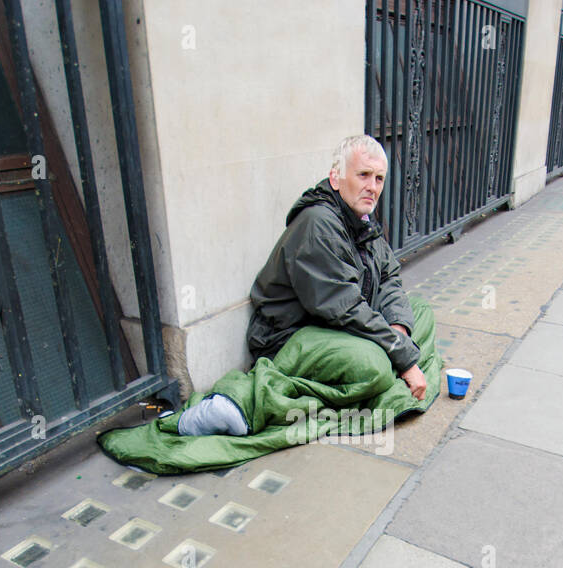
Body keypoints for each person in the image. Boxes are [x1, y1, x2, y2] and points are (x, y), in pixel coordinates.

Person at [163, 135, 429, 436]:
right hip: (289, 338)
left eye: (379, 178)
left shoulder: (360, 218)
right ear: (336, 177)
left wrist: (398, 332)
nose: (373, 186)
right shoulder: (319, 224)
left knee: (418, 311)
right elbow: (346, 308)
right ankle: (245, 404)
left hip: (332, 329)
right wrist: (404, 358)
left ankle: (385, 364)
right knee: (376, 368)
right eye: (363, 175)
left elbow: (390, 276)